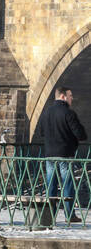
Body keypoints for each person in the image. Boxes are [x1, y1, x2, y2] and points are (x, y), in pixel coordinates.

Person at [39, 85, 87, 222]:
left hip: (49, 154)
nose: (72, 98)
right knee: (68, 183)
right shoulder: (68, 113)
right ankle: (69, 214)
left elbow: (41, 132)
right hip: (65, 154)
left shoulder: (46, 112)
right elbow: (81, 134)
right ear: (62, 96)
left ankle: (50, 215)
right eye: (70, 95)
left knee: (51, 185)